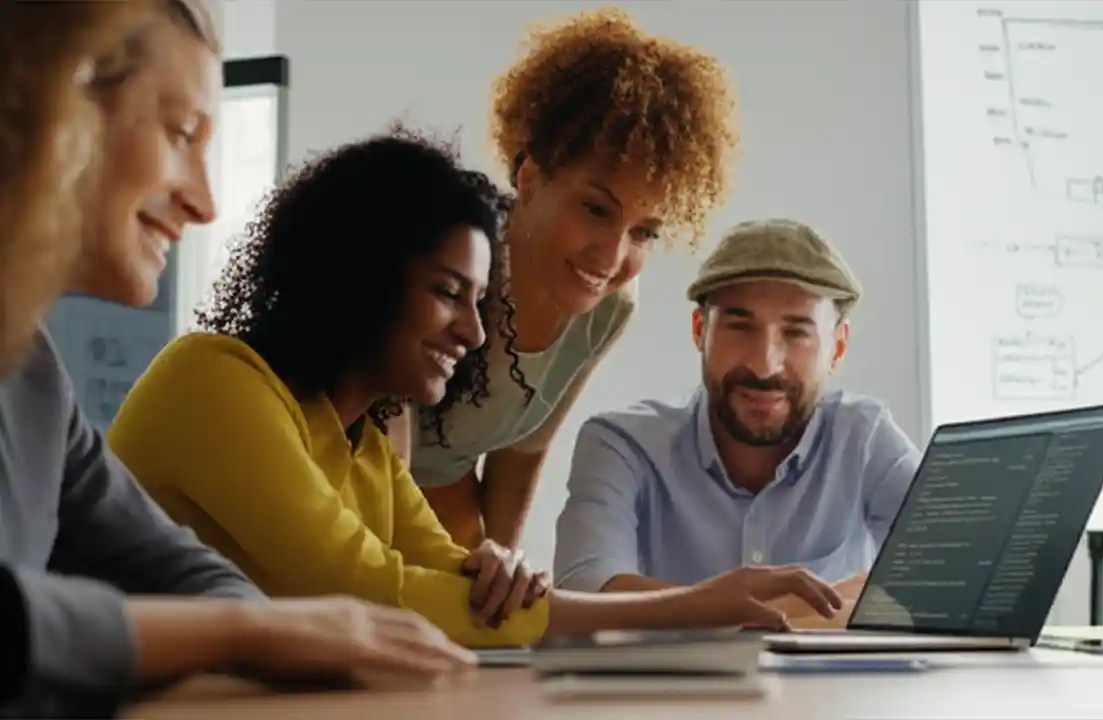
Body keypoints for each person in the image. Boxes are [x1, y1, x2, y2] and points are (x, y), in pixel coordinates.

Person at [107, 130, 843, 649]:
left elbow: (450, 571)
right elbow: (372, 589)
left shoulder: (362, 448)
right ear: (364, 274)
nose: (474, 332)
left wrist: (503, 569)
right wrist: (692, 606)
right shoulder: (214, 381)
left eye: (480, 300)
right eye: (447, 293)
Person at [0, 3, 473, 715]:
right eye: (181, 134)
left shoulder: (34, 376)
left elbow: (186, 574)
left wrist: (253, 629)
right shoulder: (207, 379)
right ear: (49, 109)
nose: (204, 202)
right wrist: (242, 632)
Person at [394, 6, 740, 550]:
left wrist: (503, 569)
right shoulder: (452, 256)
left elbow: (523, 450)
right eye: (596, 210)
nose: (612, 255)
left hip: (439, 485)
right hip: (348, 472)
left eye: (644, 232)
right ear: (531, 179)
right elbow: (371, 435)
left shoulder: (611, 306)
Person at [553, 219, 922, 627]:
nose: (765, 365)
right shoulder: (622, 444)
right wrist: (827, 608)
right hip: (676, 677)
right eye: (740, 327)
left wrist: (694, 613)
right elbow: (584, 592)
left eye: (796, 333)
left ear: (837, 347)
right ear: (700, 331)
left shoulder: (865, 437)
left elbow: (941, 573)